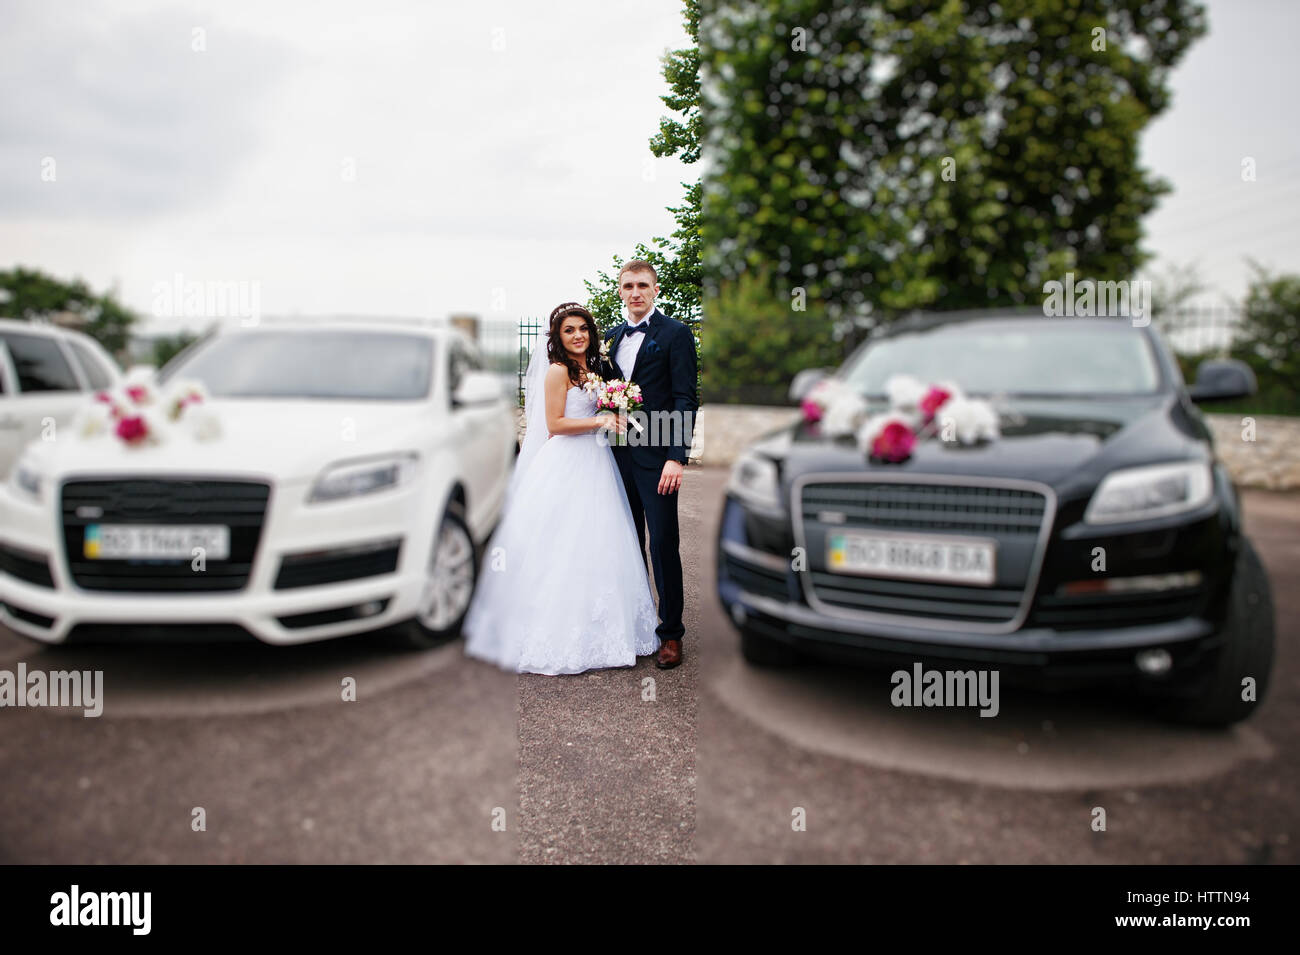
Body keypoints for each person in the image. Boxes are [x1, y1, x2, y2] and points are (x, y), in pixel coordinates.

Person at [461, 302, 660, 675]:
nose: (578, 335)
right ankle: (557, 634)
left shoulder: (594, 368)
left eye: (582, 328)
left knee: (599, 541)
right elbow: (554, 424)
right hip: (568, 459)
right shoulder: (556, 372)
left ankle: (604, 630)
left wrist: (614, 414)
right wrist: (601, 420)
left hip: (597, 462)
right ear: (558, 336)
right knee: (561, 543)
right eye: (569, 330)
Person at [604, 259, 698, 669]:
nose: (635, 292)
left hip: (658, 456)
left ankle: (671, 633)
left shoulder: (676, 333)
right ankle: (636, 625)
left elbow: (684, 398)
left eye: (643, 285)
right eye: (628, 286)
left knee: (662, 543)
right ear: (620, 291)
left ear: (655, 290)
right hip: (613, 455)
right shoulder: (609, 338)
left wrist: (676, 457)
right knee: (625, 543)